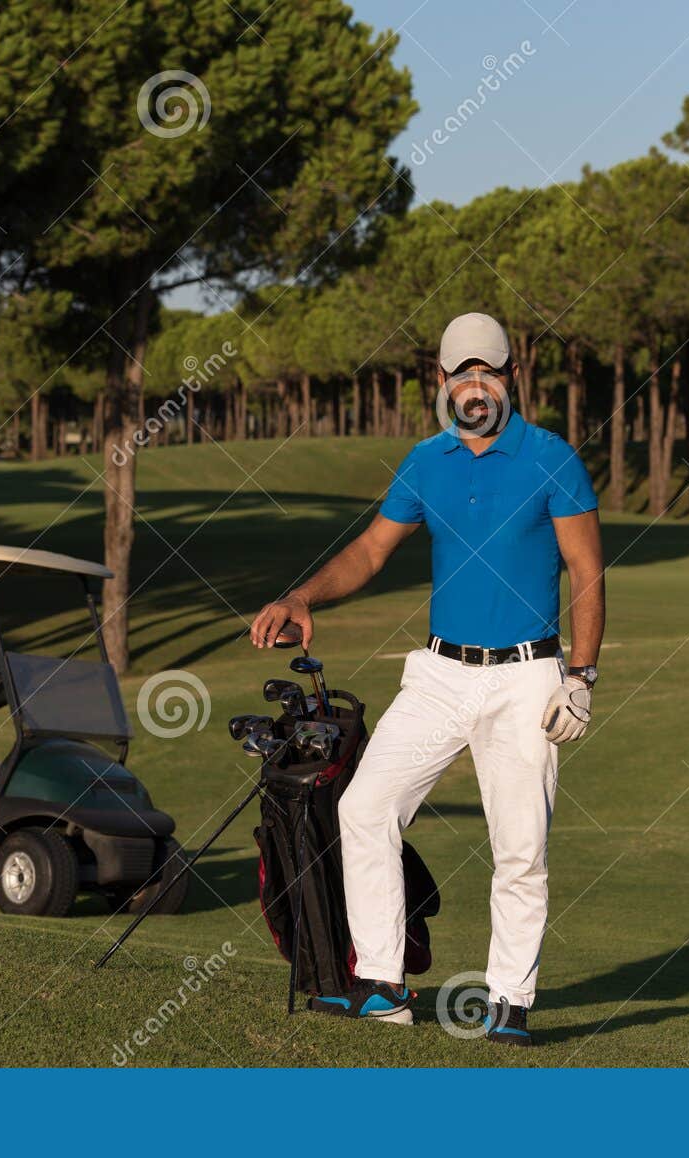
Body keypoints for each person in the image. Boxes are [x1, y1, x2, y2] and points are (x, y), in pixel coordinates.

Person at [250, 311, 606, 1046]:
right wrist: (301, 597)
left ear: (512, 375)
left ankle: (508, 1000)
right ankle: (382, 984)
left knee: (520, 846)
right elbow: (371, 552)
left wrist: (582, 675)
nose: (476, 385)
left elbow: (587, 572)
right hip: (440, 673)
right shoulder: (425, 462)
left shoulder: (551, 457)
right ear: (441, 382)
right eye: (461, 372)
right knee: (364, 808)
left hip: (527, 677)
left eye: (489, 370)